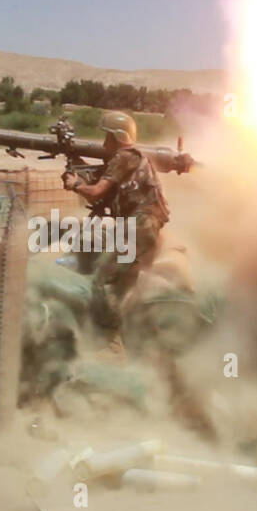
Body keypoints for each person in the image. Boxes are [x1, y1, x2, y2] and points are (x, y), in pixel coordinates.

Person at [63, 111, 171, 358]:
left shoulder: (125, 157)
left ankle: (111, 343)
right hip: (144, 229)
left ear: (117, 137)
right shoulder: (132, 159)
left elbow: (96, 192)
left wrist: (75, 184)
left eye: (107, 137)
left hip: (138, 228)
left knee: (105, 278)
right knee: (124, 286)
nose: (103, 144)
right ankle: (138, 338)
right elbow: (105, 182)